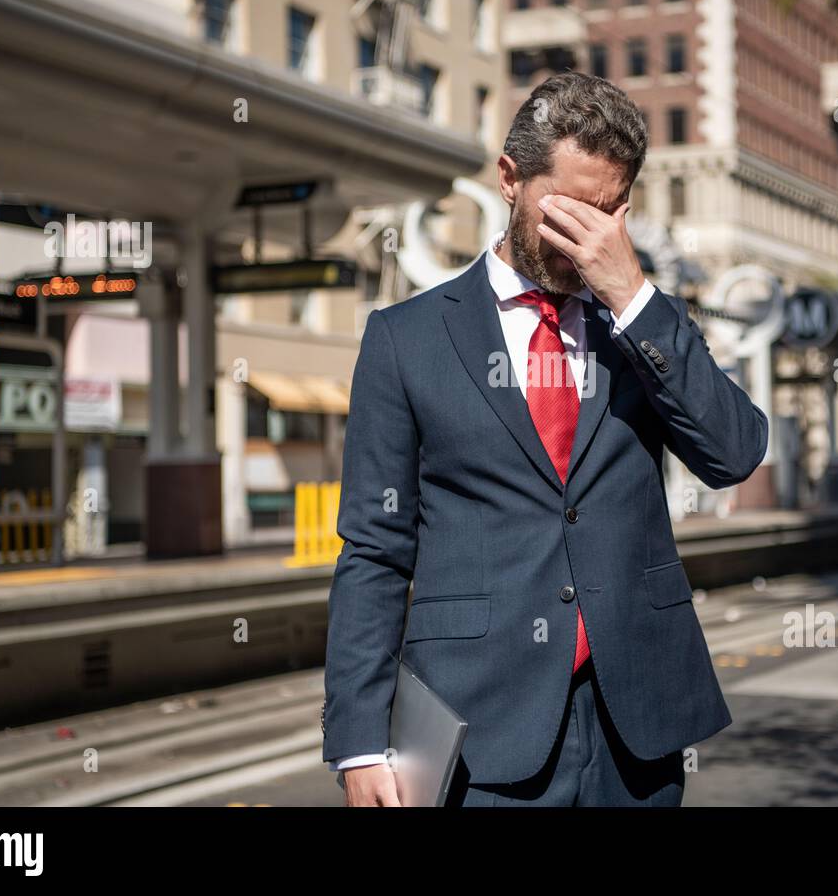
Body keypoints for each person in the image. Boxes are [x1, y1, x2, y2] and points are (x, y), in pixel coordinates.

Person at [321, 72, 768, 806]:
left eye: (609, 212)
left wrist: (634, 297)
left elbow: (734, 454)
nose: (585, 238)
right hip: (479, 729)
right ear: (509, 179)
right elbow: (373, 548)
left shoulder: (645, 325)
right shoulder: (404, 340)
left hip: (640, 725)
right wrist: (360, 741)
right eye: (566, 208)